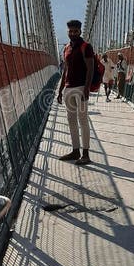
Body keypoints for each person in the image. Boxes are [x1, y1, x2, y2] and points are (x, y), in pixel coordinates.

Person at [56, 19, 94, 165]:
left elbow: (90, 68)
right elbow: (65, 70)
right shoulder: (66, 48)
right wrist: (60, 91)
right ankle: (75, 151)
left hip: (80, 88)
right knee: (71, 121)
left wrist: (86, 89)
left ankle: (85, 154)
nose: (72, 33)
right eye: (70, 31)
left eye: (75, 31)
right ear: (68, 32)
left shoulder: (86, 47)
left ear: (80, 31)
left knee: (83, 120)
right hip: (68, 88)